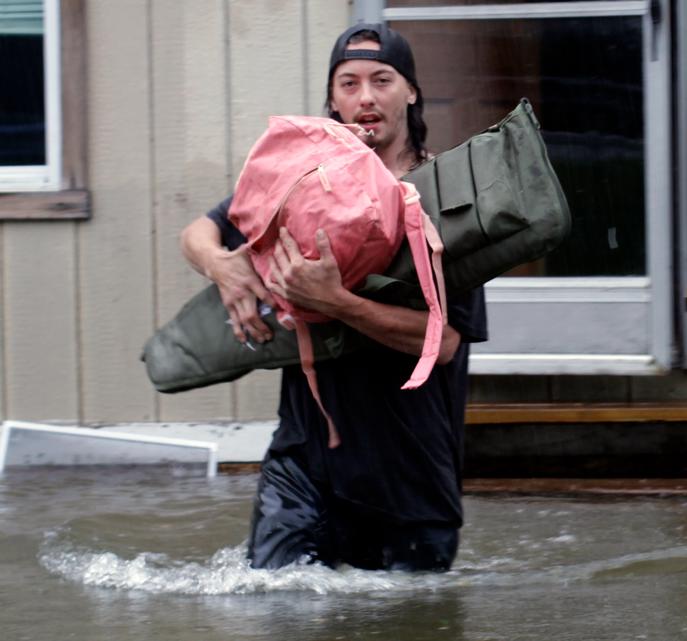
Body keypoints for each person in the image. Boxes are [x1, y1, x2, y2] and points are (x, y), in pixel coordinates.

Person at [179, 23, 487, 572]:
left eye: (382, 80)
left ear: (411, 91)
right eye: (348, 83)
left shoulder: (448, 201)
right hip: (303, 464)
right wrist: (223, 267)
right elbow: (199, 232)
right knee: (270, 607)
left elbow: (442, 345)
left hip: (408, 478)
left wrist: (338, 301)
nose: (365, 97)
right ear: (333, 98)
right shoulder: (302, 183)